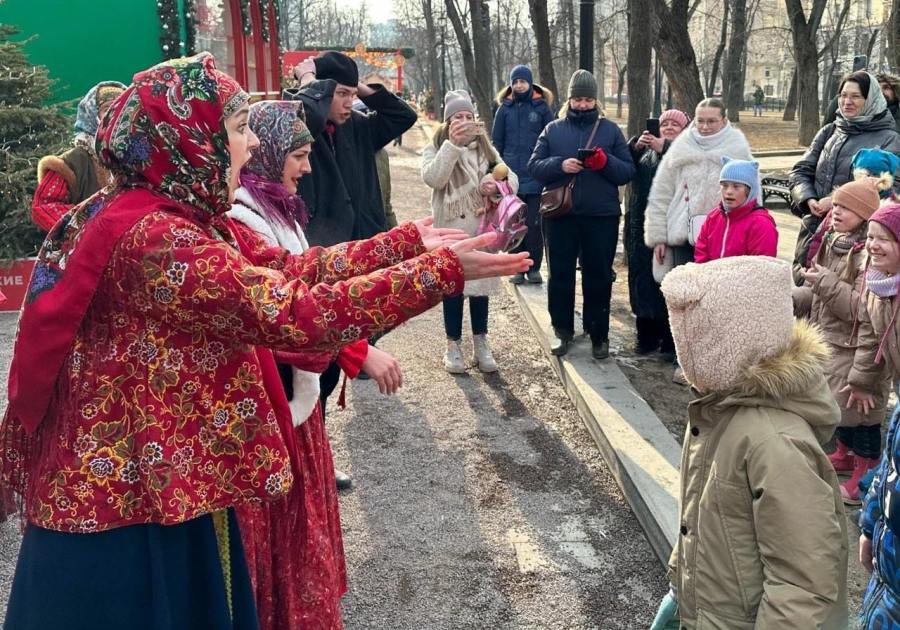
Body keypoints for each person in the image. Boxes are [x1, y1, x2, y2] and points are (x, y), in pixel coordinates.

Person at [0, 53, 530, 628]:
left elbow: (289, 268)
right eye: (238, 129)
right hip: (119, 518)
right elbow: (294, 314)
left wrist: (405, 245)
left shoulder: (174, 215)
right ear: (189, 135)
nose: (250, 146)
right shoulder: (154, 240)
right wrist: (437, 274)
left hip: (157, 492)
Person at [227, 100, 417, 628]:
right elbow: (293, 310)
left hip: (295, 404)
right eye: (300, 156)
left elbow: (312, 277)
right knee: (277, 538)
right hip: (270, 411)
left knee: (298, 530)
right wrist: (358, 350)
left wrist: (414, 250)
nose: (308, 168)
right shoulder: (243, 223)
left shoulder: (275, 210)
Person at [651, 255, 848, 629]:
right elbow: (704, 519)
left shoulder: (773, 442)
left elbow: (803, 584)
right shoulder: (719, 412)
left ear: (736, 341)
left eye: (696, 338)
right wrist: (681, 585)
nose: (685, 354)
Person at [285, 51, 418, 487]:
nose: (344, 102)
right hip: (321, 259)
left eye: (349, 93)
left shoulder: (360, 127)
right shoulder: (306, 130)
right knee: (315, 367)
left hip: (362, 252)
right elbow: (299, 107)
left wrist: (359, 87)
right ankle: (311, 457)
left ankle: (316, 454)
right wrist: (315, 82)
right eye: (338, 93)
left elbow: (403, 115)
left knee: (337, 354)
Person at [792, 177, 889, 507]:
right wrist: (797, 295)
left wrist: (824, 283)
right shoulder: (832, 241)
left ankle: (867, 466)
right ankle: (844, 455)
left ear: (863, 214)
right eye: (834, 204)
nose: (835, 212)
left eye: (845, 207)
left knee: (862, 414)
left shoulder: (866, 256)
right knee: (840, 410)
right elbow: (822, 295)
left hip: (854, 349)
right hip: (831, 341)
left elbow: (857, 310)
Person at [527, 69, 636, 359]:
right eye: (578, 99)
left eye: (588, 99)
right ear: (570, 100)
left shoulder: (610, 130)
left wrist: (605, 162)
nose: (583, 105)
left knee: (598, 276)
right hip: (561, 215)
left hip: (601, 217)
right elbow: (534, 166)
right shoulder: (553, 129)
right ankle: (562, 330)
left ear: (595, 101)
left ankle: (598, 334)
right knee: (560, 275)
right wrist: (560, 165)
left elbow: (627, 171)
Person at [643, 97, 751, 382]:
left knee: (714, 302)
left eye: (711, 121)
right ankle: (686, 361)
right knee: (682, 301)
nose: (704, 126)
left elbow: (751, 194)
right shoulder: (681, 146)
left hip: (722, 235)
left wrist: (747, 234)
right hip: (681, 233)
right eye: (700, 120)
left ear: (724, 121)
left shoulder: (737, 147)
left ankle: (715, 362)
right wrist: (659, 235)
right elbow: (661, 193)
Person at [422, 91, 519, 373]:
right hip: (451, 230)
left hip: (480, 228)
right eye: (457, 117)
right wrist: (452, 145)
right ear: (448, 122)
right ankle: (452, 345)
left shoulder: (485, 148)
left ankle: (481, 343)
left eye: (468, 116)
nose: (463, 121)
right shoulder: (438, 145)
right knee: (452, 287)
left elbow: (512, 178)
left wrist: (496, 184)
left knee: (480, 289)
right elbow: (434, 179)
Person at [789, 71, 900, 286]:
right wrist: (808, 198)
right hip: (814, 230)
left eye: (856, 96)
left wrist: (838, 201)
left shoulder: (890, 139)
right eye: (843, 95)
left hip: (855, 242)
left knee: (839, 302)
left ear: (871, 99)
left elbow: (892, 187)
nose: (847, 102)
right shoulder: (830, 131)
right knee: (805, 299)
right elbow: (801, 170)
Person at [846, 200, 900, 627]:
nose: (874, 247)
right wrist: (871, 524)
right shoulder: (878, 285)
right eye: (872, 238)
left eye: (885, 240)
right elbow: (872, 337)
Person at [624, 108, 688, 355]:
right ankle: (645, 336)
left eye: (675, 125)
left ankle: (670, 342)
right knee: (642, 283)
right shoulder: (646, 152)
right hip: (639, 227)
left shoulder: (684, 151)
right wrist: (635, 148)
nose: (669, 128)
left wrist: (667, 148)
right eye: (665, 124)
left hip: (670, 230)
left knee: (668, 284)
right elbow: (625, 171)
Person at [32, 80, 126, 231]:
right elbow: (46, 206)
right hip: (88, 248)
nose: (114, 115)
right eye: (107, 109)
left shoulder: (141, 159)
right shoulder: (73, 162)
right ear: (92, 115)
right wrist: (86, 230)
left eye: (121, 109)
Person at [491, 64, 555, 285]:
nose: (519, 85)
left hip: (536, 176)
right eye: (515, 82)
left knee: (535, 225)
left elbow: (551, 140)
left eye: (523, 81)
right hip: (512, 177)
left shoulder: (542, 109)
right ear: (511, 84)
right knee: (513, 223)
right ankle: (516, 267)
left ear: (530, 83)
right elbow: (496, 142)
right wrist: (497, 169)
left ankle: (534, 267)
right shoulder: (504, 109)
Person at [692, 158, 778, 263]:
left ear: (750, 191)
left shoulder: (761, 223)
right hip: (711, 277)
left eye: (736, 187)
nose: (729, 192)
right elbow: (701, 252)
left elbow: (762, 266)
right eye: (724, 185)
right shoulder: (713, 217)